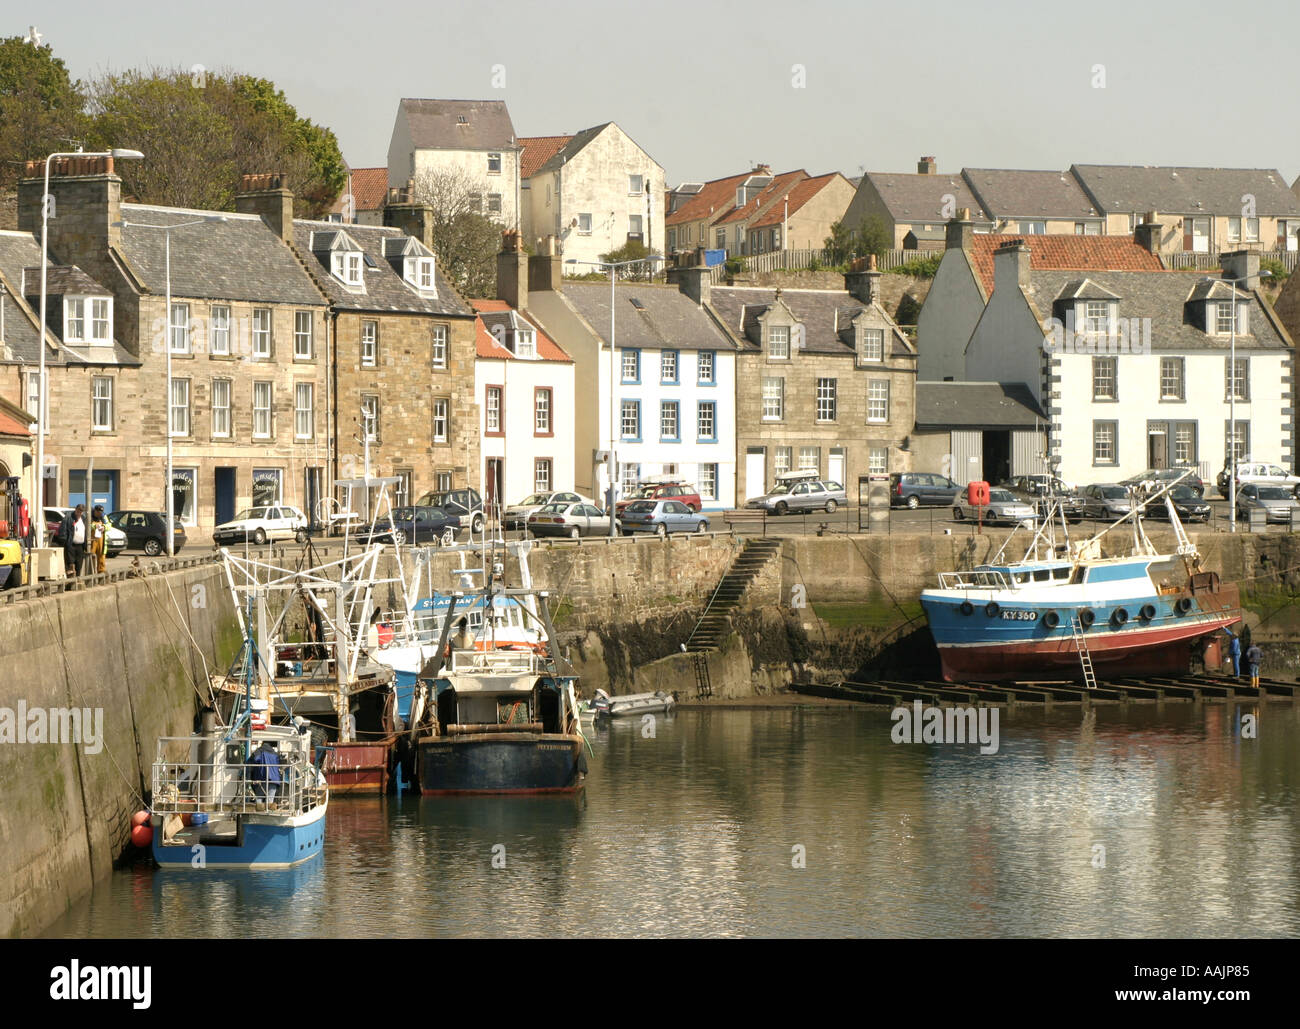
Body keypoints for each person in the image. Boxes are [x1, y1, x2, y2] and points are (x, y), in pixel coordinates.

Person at [248, 739, 283, 808]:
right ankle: (269, 813)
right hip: (274, 780)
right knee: (269, 802)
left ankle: (258, 813)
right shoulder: (275, 754)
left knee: (259, 800)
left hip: (262, 779)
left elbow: (254, 759)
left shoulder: (259, 751)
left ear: (262, 743)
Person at [59, 504, 87, 578]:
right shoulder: (68, 518)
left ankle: (77, 580)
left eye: (81, 511)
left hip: (80, 546)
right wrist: (65, 542)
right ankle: (69, 584)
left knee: (79, 565)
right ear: (76, 509)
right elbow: (63, 531)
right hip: (71, 545)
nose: (79, 513)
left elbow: (85, 532)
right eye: (78, 511)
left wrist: (85, 545)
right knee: (70, 565)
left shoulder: (83, 519)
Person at [89, 506, 108, 575]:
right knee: (91, 555)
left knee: (101, 555)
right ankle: (91, 571)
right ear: (95, 511)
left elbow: (109, 525)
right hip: (92, 539)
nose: (100, 514)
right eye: (99, 512)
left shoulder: (104, 516)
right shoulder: (90, 516)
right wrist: (94, 526)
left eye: (101, 512)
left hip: (101, 538)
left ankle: (101, 571)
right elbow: (87, 525)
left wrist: (104, 527)